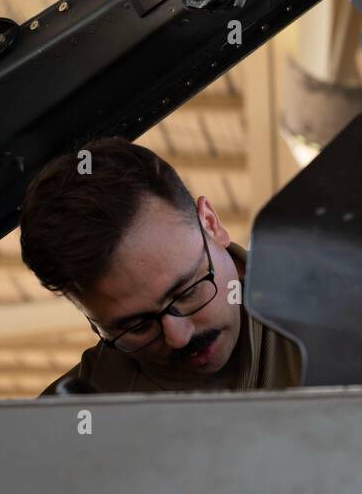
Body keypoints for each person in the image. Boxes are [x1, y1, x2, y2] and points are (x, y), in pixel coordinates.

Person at [20, 137, 303, 394]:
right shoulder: (64, 424)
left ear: (211, 224)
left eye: (186, 292)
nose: (179, 338)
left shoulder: (338, 310)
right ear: (95, 325)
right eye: (137, 326)